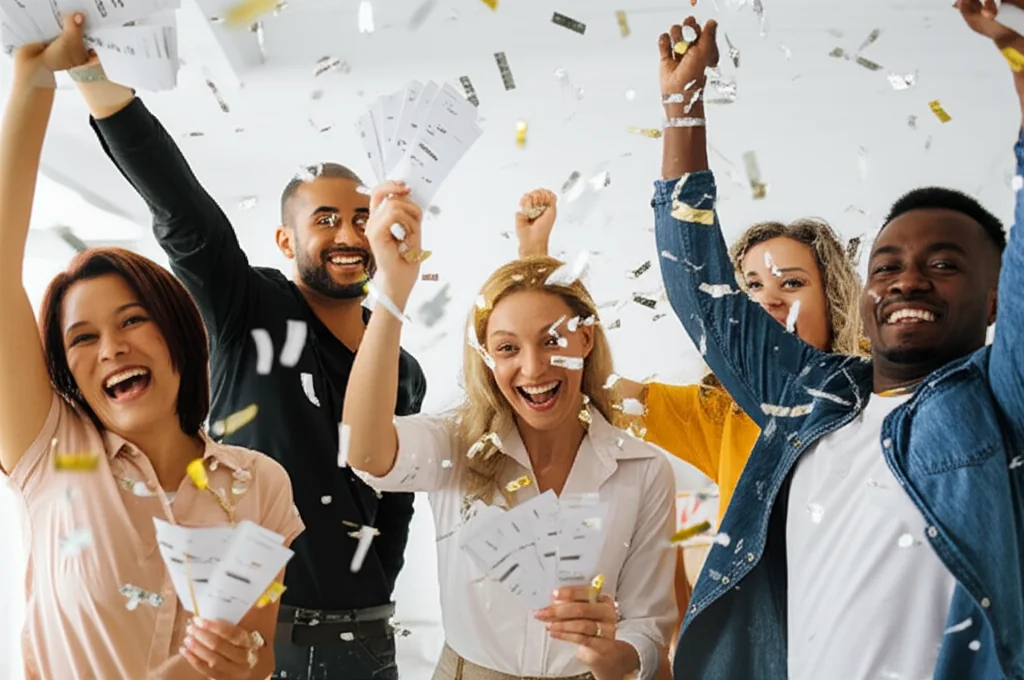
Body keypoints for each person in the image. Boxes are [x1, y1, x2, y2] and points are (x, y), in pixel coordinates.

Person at [654, 9, 1023, 679]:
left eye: (944, 264)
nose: (908, 277)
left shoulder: (999, 401)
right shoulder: (809, 396)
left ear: (996, 296)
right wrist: (683, 108)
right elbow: (700, 287)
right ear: (864, 292)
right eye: (886, 265)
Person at [65, 37, 426, 680]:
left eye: (361, 219)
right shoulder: (247, 306)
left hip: (364, 643)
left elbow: (395, 503)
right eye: (326, 219)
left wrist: (371, 599)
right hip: (249, 635)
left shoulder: (401, 366)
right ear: (287, 238)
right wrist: (97, 81)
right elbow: (183, 212)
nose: (348, 234)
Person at [0, 16, 303, 680]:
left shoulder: (261, 486)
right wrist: (31, 86)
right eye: (83, 337)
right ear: (67, 368)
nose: (110, 347)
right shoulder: (51, 454)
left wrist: (238, 660)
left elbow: (258, 657)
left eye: (132, 321)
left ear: (175, 333)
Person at [343, 182, 677, 680]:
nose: (533, 367)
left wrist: (616, 656)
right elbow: (365, 451)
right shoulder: (455, 445)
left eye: (553, 341)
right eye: (506, 349)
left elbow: (648, 625)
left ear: (585, 338)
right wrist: (392, 288)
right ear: (486, 357)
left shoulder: (645, 471)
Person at [514, 187, 864, 628]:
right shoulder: (718, 412)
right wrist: (534, 258)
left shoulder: (876, 395)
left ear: (832, 298)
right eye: (751, 286)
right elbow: (588, 387)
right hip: (758, 637)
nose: (767, 300)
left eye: (791, 282)